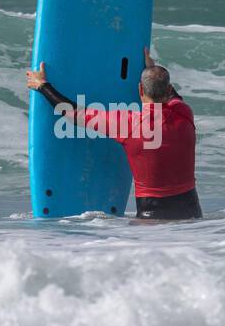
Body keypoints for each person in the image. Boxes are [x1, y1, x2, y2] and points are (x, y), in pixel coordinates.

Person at [26, 48, 202, 220]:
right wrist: (151, 68)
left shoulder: (129, 124)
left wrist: (42, 86)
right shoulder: (184, 112)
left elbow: (73, 114)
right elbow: (174, 97)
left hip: (152, 220)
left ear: (140, 90)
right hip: (192, 217)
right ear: (168, 88)